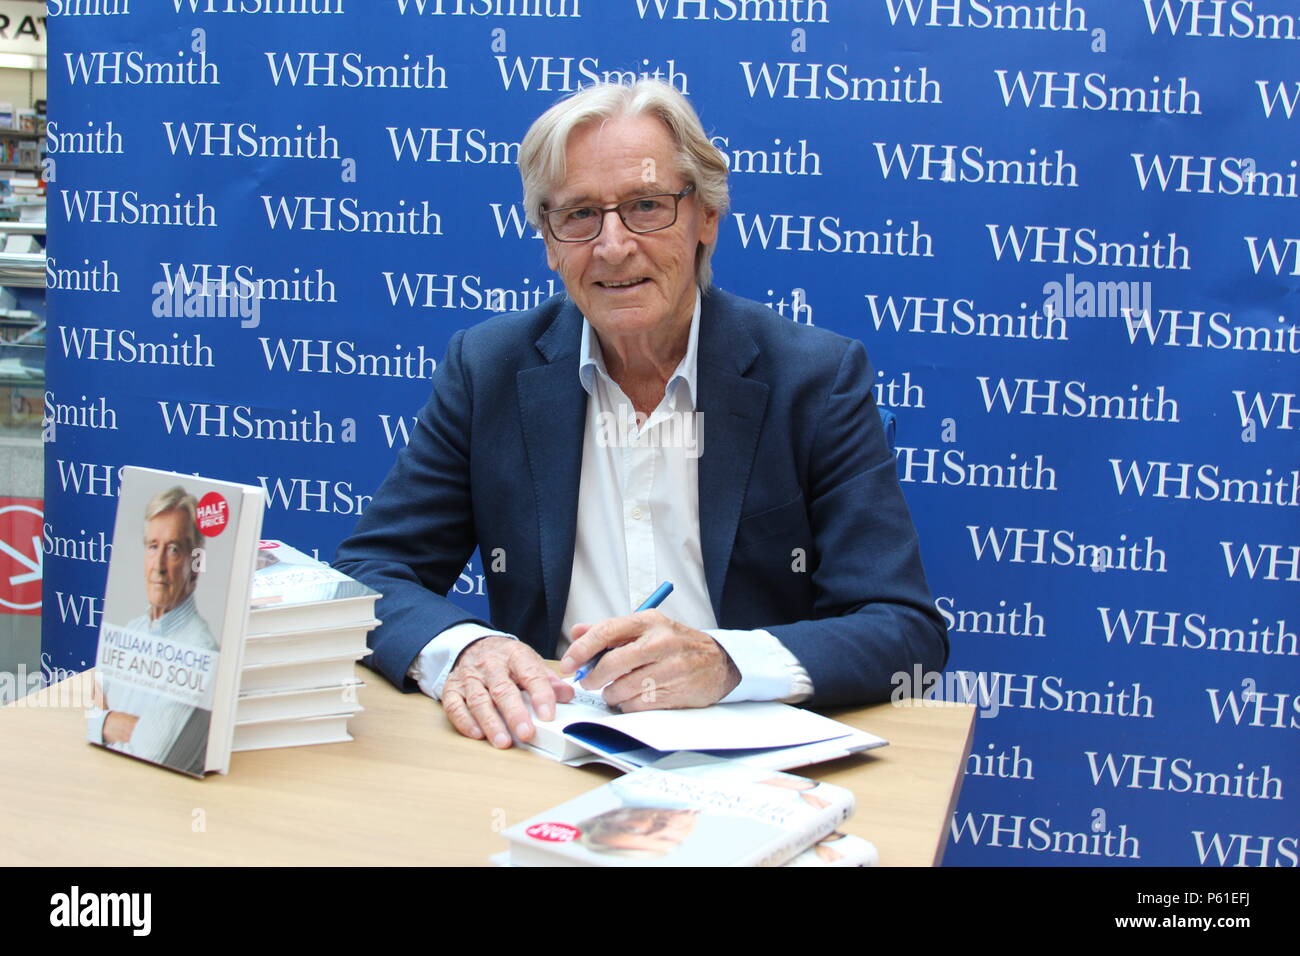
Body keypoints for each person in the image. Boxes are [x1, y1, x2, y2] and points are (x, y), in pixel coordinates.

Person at [334, 80, 947, 749]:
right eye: (579, 215)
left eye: (646, 206)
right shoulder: (489, 370)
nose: (613, 245)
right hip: (547, 745)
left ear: (706, 217)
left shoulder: (813, 377)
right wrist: (465, 649)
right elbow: (371, 573)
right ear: (549, 242)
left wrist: (727, 661)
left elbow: (903, 628)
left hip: (751, 757)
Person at [89, 486, 217, 772]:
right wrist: (116, 725)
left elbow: (152, 756)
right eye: (152, 546)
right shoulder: (130, 630)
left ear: (195, 563)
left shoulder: (201, 652)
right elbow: (88, 718)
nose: (158, 566)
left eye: (173, 549)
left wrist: (104, 723)